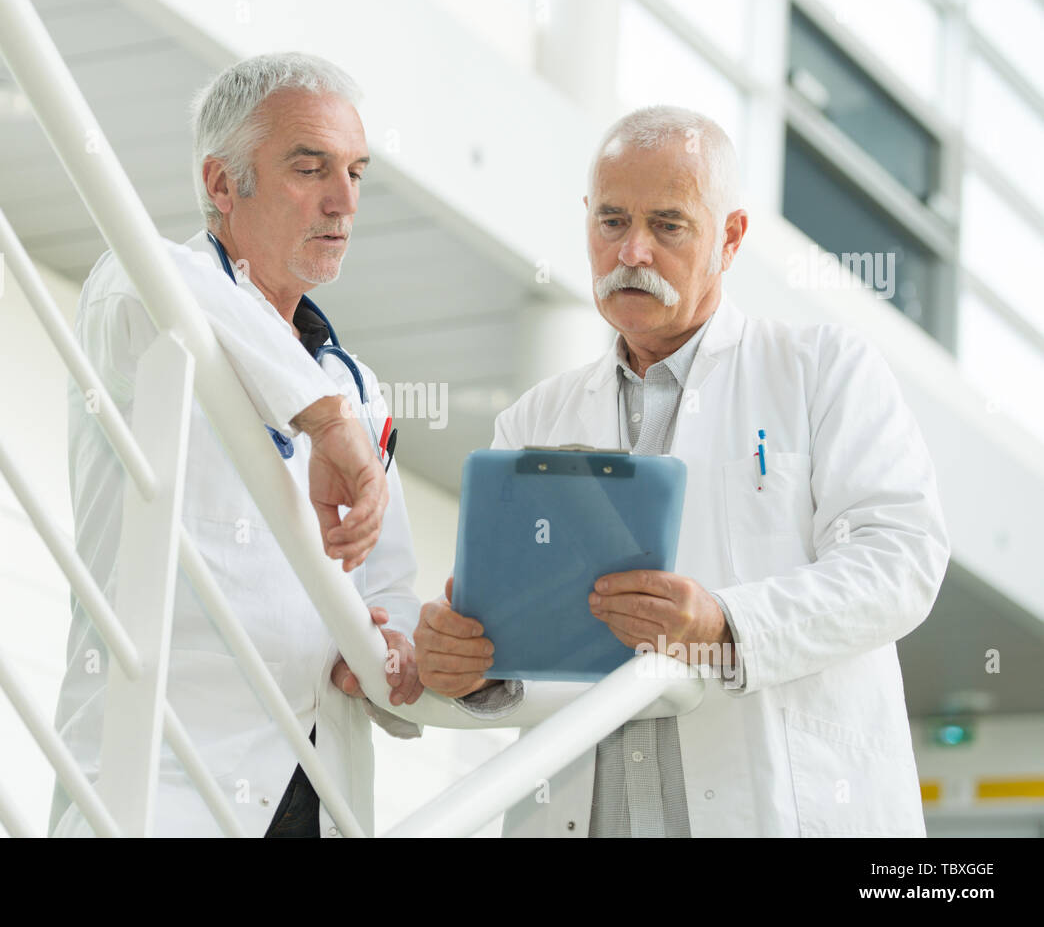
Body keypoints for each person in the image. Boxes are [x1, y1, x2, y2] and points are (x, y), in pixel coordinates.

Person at [414, 105, 950, 837]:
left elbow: (901, 561)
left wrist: (726, 625)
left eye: (668, 225)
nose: (632, 250)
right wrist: (477, 672)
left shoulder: (823, 369)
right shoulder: (534, 422)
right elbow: (530, 651)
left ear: (729, 238)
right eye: (611, 221)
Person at [49, 53, 423, 838]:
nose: (342, 201)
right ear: (222, 185)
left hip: (318, 796)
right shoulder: (137, 293)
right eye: (309, 167)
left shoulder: (355, 386)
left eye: (356, 172)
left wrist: (394, 647)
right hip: (161, 788)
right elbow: (178, 291)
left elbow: (387, 588)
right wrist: (324, 422)